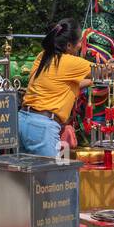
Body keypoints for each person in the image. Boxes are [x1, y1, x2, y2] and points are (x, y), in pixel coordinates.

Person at [19, 19, 91, 156]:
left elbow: (63, 85)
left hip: (22, 121)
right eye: (80, 41)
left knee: (26, 176)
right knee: (53, 176)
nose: (81, 45)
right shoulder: (71, 62)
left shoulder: (43, 56)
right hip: (42, 127)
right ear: (69, 45)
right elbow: (105, 70)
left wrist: (91, 82)